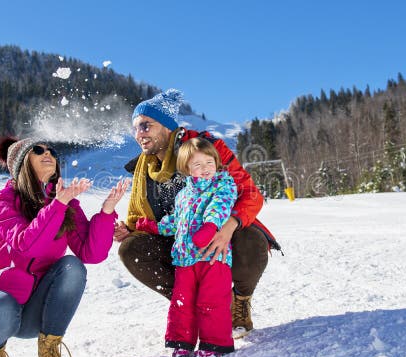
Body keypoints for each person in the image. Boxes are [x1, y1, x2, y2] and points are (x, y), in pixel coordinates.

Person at [114, 89, 281, 338]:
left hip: (219, 233)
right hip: (180, 242)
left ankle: (239, 302)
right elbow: (146, 217)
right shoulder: (145, 168)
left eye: (146, 126)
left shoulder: (204, 149)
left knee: (251, 239)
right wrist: (130, 230)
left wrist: (228, 227)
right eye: (136, 129)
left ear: (167, 127)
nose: (140, 134)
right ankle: (191, 303)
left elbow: (250, 194)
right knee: (132, 249)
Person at [0, 136, 129, 357]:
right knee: (2, 306)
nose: (48, 154)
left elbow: (91, 253)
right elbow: (26, 245)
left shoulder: (64, 202)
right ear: (22, 164)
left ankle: (49, 351)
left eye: (51, 151)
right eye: (38, 150)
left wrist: (106, 212)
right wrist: (58, 205)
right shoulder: (4, 202)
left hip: (33, 313)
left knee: (72, 267)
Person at [135, 137, 238, 357]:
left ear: (216, 162)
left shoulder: (223, 184)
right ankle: (182, 342)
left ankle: (214, 344)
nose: (205, 169)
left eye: (209, 163)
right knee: (182, 302)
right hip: (185, 259)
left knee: (211, 301)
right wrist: (154, 227)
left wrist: (210, 227)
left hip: (212, 257)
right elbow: (176, 221)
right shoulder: (184, 195)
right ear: (187, 169)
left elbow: (219, 206)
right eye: (198, 165)